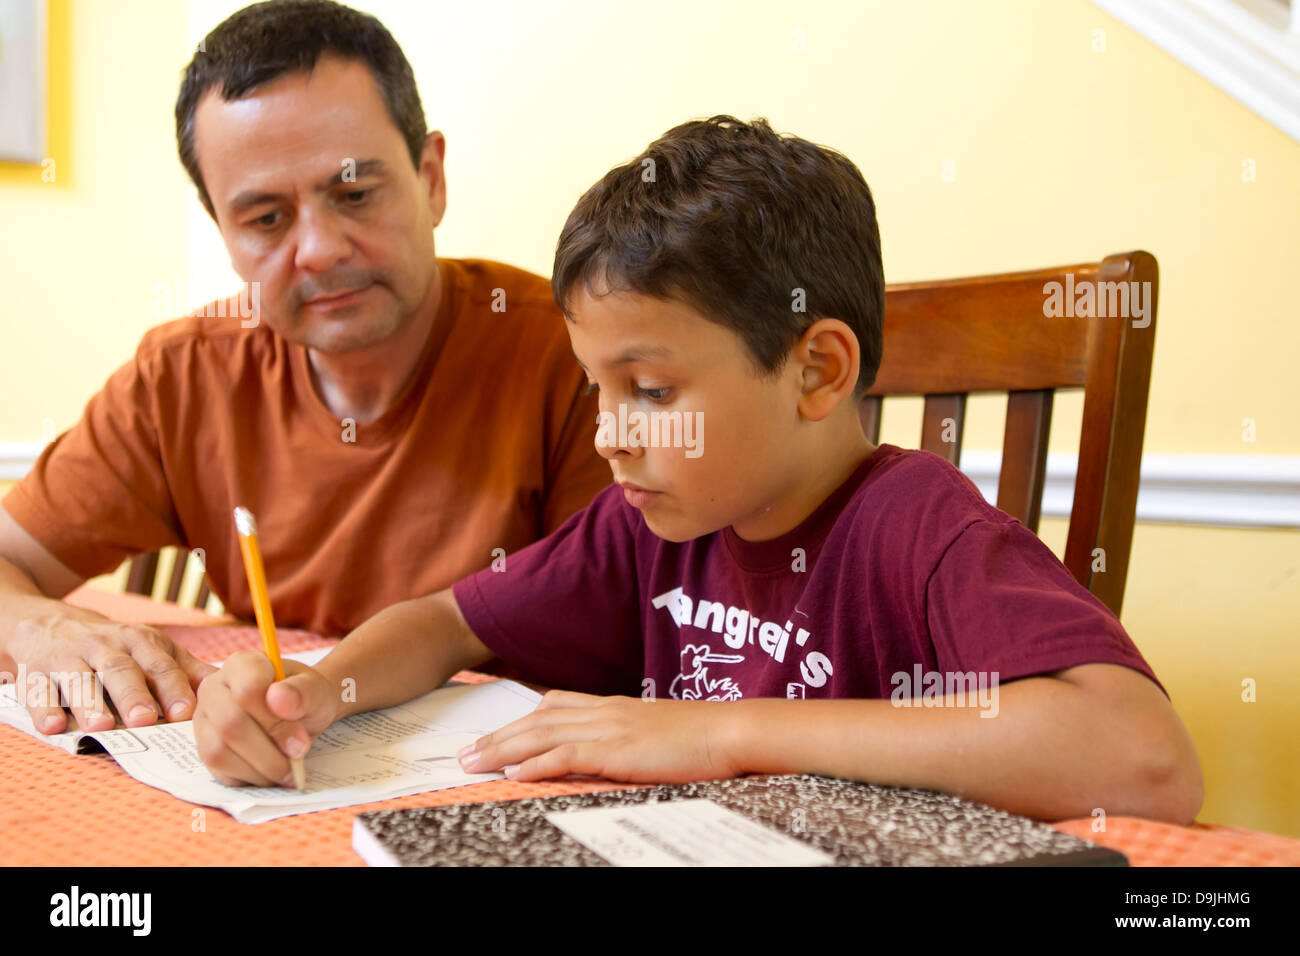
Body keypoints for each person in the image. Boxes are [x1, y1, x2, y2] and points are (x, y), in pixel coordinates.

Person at [193, 115, 1203, 823]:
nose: (610, 436)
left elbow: (1144, 758)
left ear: (816, 370)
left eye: (652, 389)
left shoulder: (920, 527)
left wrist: (722, 731)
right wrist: (320, 690)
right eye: (598, 388)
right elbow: (445, 622)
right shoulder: (648, 524)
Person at [0, 1, 608, 738]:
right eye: (265, 219)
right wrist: (39, 628)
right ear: (222, 233)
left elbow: (624, 631)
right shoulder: (184, 378)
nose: (319, 250)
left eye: (354, 194)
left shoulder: (579, 358)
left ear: (432, 178)